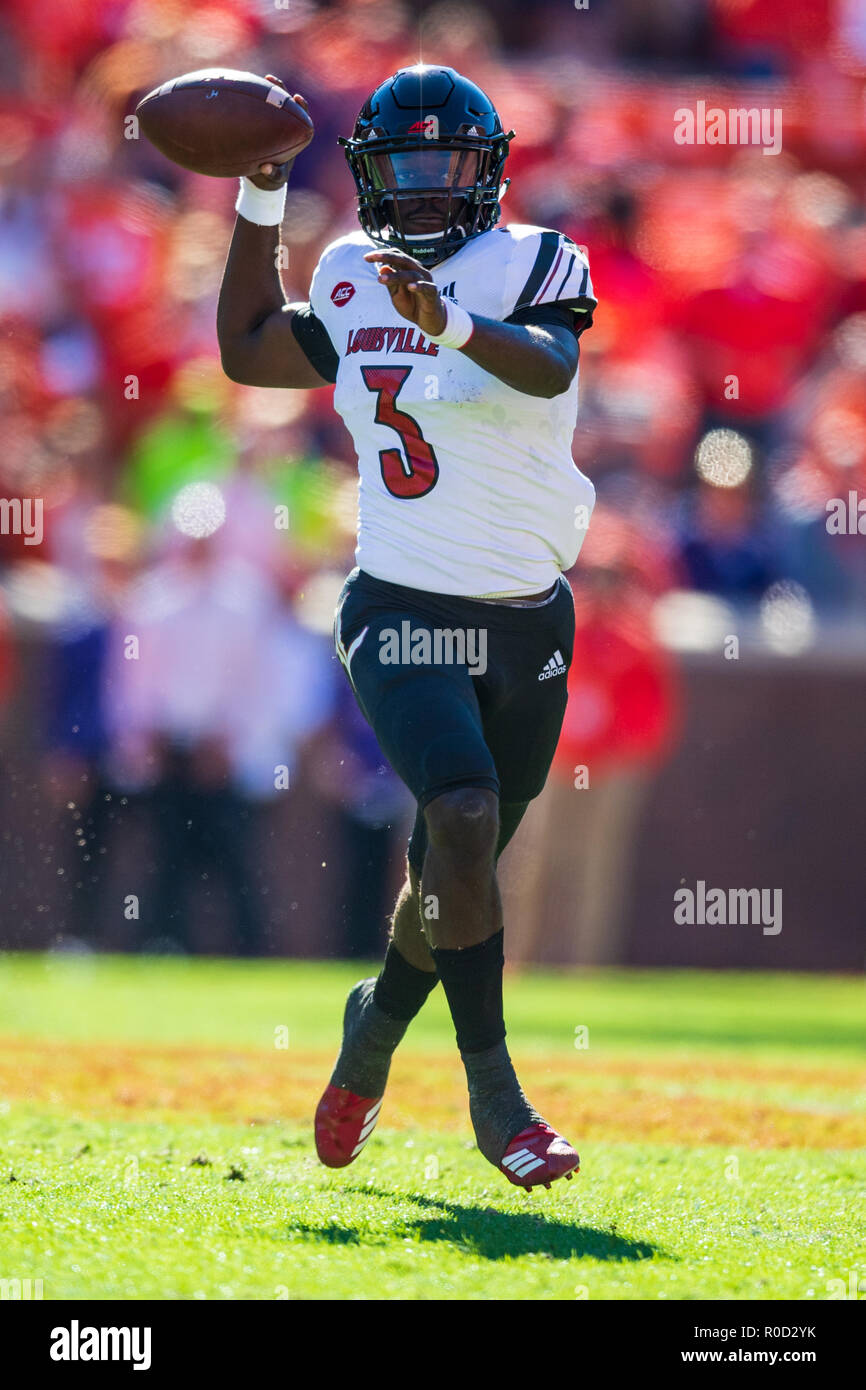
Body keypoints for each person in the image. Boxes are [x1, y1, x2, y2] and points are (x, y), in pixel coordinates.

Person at [217, 65, 597, 1191]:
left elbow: (548, 366)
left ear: (487, 171)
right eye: (405, 167)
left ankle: (373, 1028)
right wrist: (257, 194)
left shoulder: (538, 259)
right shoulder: (346, 273)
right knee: (463, 816)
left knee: (449, 869)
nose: (426, 189)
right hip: (399, 599)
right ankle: (499, 1102)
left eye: (446, 165)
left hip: (526, 613)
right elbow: (246, 348)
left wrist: (453, 321)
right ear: (370, 175)